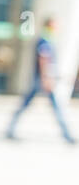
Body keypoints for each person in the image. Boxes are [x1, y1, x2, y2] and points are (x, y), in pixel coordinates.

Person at [5, 15, 76, 144]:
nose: (57, 28)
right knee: (54, 107)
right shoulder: (44, 41)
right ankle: (67, 135)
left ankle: (10, 129)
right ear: (49, 25)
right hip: (41, 79)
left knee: (28, 105)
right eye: (55, 25)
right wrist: (46, 78)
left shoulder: (47, 39)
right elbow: (43, 60)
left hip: (42, 79)